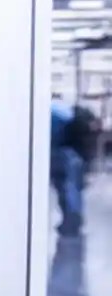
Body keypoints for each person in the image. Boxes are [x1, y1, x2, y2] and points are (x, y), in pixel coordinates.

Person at [51, 98, 88, 238]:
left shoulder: (54, 113)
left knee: (66, 190)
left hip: (62, 154)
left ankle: (70, 221)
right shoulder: (66, 114)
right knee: (72, 189)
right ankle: (73, 220)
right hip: (74, 156)